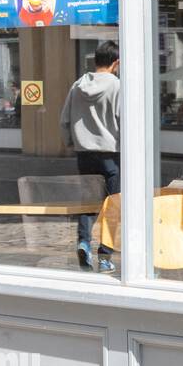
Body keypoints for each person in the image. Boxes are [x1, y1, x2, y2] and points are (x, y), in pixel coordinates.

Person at [59, 40, 121, 272]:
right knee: (113, 206)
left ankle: (83, 242)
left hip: (84, 154)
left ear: (95, 61)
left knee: (88, 203)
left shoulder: (78, 85)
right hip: (111, 154)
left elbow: (64, 119)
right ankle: (105, 257)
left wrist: (71, 142)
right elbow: (123, 120)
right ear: (116, 63)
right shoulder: (116, 86)